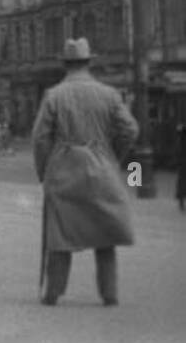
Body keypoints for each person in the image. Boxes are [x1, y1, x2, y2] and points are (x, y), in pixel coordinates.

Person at [32, 37, 138, 306]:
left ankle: (53, 293)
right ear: (89, 62)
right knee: (106, 235)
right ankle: (109, 293)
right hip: (102, 166)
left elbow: (40, 138)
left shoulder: (54, 95)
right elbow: (130, 130)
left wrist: (44, 170)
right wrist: (114, 156)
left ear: (65, 64)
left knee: (60, 234)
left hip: (64, 168)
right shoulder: (108, 94)